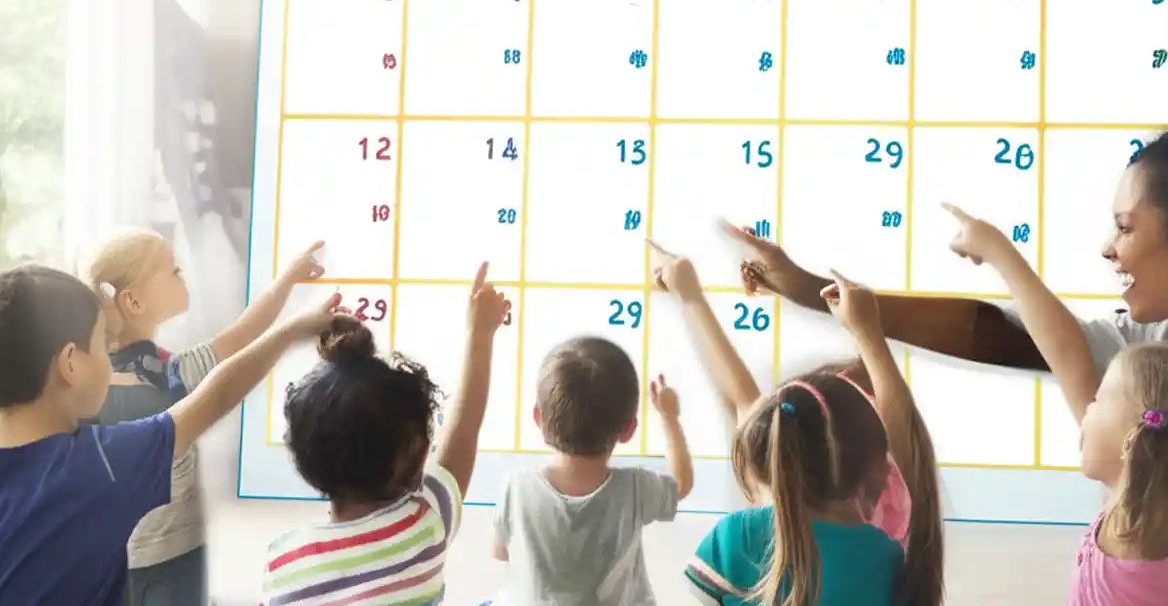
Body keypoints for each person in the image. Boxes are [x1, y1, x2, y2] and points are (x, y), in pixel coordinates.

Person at [728, 121, 1168, 593]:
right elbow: (1000, 333)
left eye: (1126, 226)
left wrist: (1158, 569)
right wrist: (807, 289)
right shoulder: (1160, 340)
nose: (1108, 247)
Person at [943, 202, 1168, 604]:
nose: (1085, 404)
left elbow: (1069, 358)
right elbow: (1068, 352)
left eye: (1099, 399)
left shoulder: (1133, 531)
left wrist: (999, 252)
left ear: (1136, 440)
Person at [0, 264, 342, 604]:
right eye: (103, 346)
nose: (110, 359)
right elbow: (216, 397)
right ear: (70, 363)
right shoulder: (102, 463)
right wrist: (292, 330)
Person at [655, 240, 942, 605]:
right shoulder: (889, 555)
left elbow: (739, 397)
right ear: (876, 465)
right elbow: (902, 423)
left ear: (774, 450)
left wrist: (689, 293)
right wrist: (869, 334)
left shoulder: (745, 537)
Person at [79, 227, 324, 605]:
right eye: (173, 271)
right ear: (133, 301)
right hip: (173, 555)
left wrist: (288, 280)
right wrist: (287, 283)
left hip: (106, 554)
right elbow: (243, 339)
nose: (183, 276)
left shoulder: (84, 386)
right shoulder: (173, 374)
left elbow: (243, 335)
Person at [260, 262, 506, 606]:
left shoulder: (284, 562)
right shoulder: (424, 527)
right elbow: (465, 428)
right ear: (421, 456)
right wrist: (480, 333)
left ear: (306, 459)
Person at [489, 336, 693, 605]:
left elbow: (500, 552)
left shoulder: (516, 487)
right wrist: (670, 419)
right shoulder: (635, 488)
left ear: (538, 418)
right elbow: (681, 484)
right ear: (629, 429)